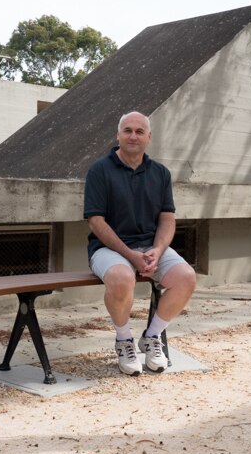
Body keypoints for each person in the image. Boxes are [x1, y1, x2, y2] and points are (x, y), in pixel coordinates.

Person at [83, 111, 197, 375]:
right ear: (118, 135)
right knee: (123, 279)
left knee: (186, 278)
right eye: (128, 130)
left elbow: (167, 219)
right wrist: (130, 255)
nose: (133, 136)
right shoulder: (100, 170)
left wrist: (157, 250)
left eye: (139, 131)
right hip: (109, 249)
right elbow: (96, 221)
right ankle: (124, 340)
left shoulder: (160, 173)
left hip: (150, 247)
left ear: (148, 137)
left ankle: (152, 336)